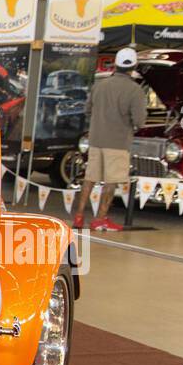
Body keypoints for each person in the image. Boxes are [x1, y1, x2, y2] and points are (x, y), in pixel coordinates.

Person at [74, 46, 147, 232]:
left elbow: (87, 110)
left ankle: (79, 216)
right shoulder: (135, 90)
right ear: (134, 66)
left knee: (90, 178)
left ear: (115, 64)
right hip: (118, 142)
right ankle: (100, 219)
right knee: (110, 181)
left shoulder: (99, 85)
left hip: (96, 139)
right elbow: (140, 120)